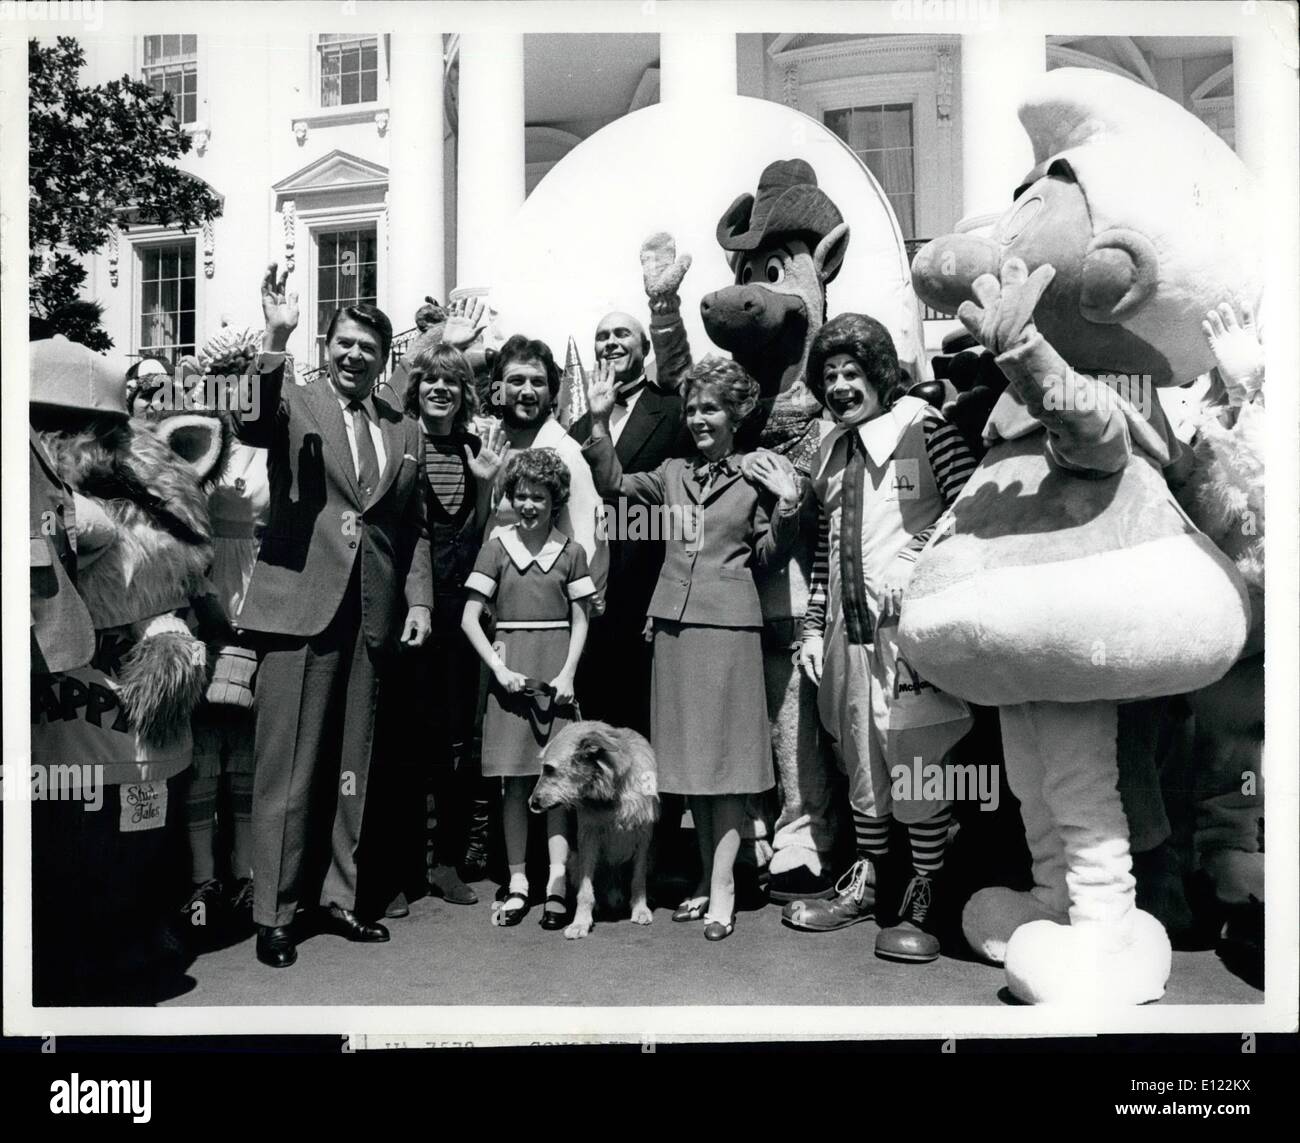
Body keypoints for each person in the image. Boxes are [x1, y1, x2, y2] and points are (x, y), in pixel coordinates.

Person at [233, 264, 433, 969]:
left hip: (371, 616)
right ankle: (275, 913)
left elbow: (412, 527)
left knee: (354, 765)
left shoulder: (403, 429)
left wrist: (419, 598)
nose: (354, 355)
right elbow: (250, 420)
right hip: (300, 610)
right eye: (344, 343)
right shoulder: (294, 400)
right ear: (326, 346)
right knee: (288, 768)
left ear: (383, 360)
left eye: (368, 349)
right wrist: (275, 337)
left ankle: (338, 897)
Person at [582, 356, 802, 940]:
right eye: (693, 409)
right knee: (690, 768)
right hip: (672, 630)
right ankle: (706, 877)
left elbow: (768, 556)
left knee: (725, 767)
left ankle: (724, 886)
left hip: (727, 629)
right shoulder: (673, 473)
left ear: (735, 414)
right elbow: (613, 484)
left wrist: (787, 505)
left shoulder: (758, 471)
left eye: (711, 409)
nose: (699, 419)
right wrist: (599, 422)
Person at [783, 314, 977, 963]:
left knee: (918, 761)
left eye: (852, 372)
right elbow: (824, 549)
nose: (841, 385)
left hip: (911, 635)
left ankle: (926, 894)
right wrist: (814, 628)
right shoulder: (831, 451)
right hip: (850, 637)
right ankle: (868, 883)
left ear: (879, 372)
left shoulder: (925, 427)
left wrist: (917, 553)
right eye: (830, 375)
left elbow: (973, 505)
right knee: (863, 760)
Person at [376, 342, 505, 912]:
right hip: (408, 604)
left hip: (462, 606)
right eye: (430, 379)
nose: (440, 389)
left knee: (456, 737)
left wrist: (485, 484)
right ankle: (402, 867)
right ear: (416, 388)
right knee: (405, 736)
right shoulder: (397, 442)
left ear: (464, 393)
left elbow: (478, 535)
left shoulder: (477, 448)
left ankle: (446, 862)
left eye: (452, 381)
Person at [460, 449, 596, 930]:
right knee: (514, 783)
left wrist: (568, 674)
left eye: (539, 496)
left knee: (555, 783)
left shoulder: (571, 552)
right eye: (521, 495)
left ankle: (557, 881)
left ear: (556, 499)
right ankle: (518, 881)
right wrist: (499, 670)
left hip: (554, 678)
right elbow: (469, 618)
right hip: (511, 680)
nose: (529, 504)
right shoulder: (497, 548)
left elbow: (581, 619)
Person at [568, 313, 691, 737]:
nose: (611, 342)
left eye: (622, 334)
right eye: (602, 336)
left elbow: (686, 510)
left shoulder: (675, 412)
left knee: (648, 722)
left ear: (645, 348)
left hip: (649, 591)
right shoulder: (580, 426)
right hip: (594, 596)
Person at [484, 334, 608, 609]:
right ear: (498, 389)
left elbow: (587, 546)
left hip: (544, 611)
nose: (527, 392)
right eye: (516, 381)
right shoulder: (489, 445)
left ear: (551, 393)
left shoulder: (566, 454)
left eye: (538, 382)